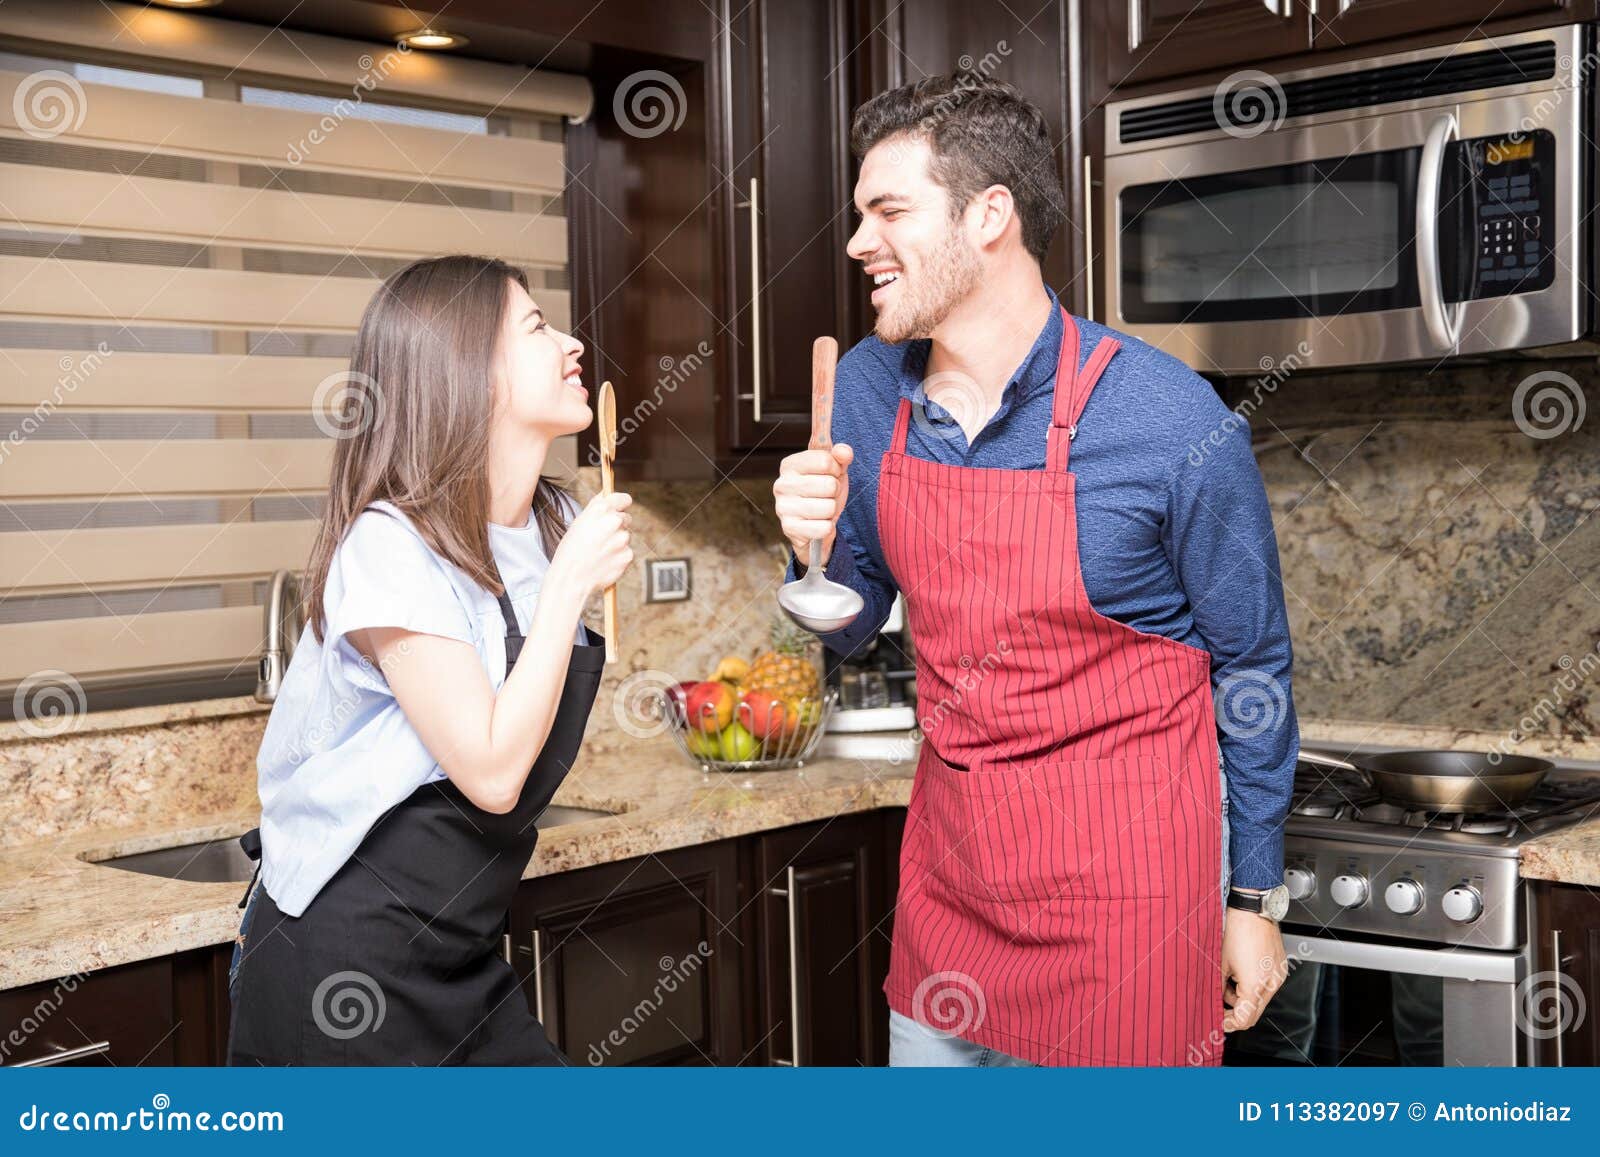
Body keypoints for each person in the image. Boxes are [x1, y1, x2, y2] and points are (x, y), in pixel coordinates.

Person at [773, 75, 1298, 1066]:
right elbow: (849, 621)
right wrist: (804, 551)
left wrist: (1251, 895)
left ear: (988, 217)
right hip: (952, 901)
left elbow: (1253, 665)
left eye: (887, 211)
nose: (855, 243)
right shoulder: (860, 393)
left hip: (1130, 915)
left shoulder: (1167, 419)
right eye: (857, 215)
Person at [228, 255, 633, 1065]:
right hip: (346, 962)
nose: (572, 342)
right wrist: (568, 589)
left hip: (460, 951)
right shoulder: (389, 544)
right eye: (536, 328)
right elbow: (489, 771)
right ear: (467, 373)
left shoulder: (550, 519)